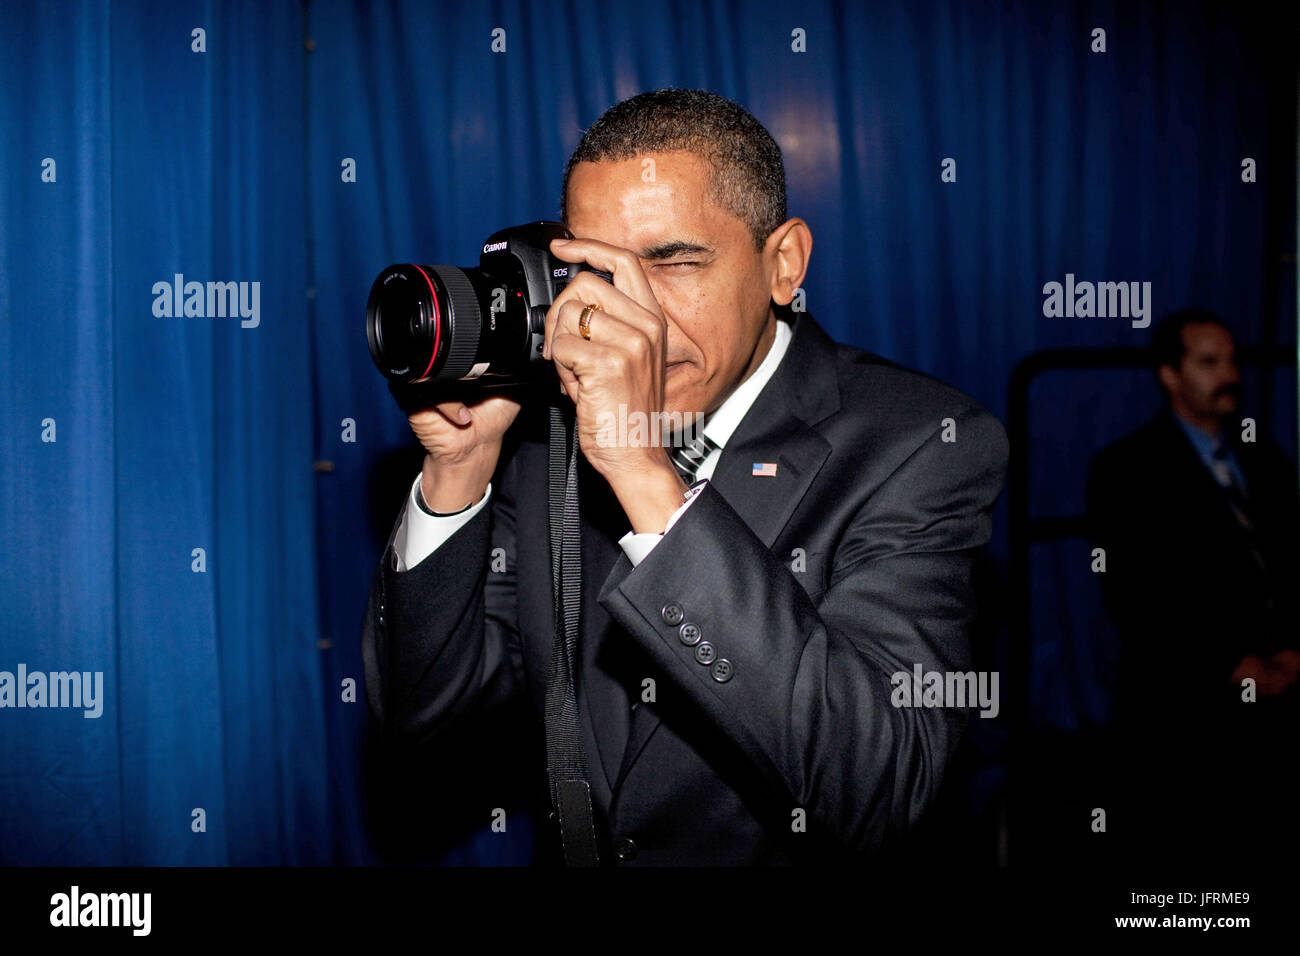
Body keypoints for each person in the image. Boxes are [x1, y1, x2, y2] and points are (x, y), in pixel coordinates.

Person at [361, 88, 1008, 865]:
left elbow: (880, 787)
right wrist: (459, 472)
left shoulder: (917, 441)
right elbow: (422, 714)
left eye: (673, 261)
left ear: (783, 264)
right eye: (597, 271)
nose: (632, 315)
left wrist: (643, 474)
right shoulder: (544, 439)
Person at [1086, 309, 1300, 864]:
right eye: (1209, 363)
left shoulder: (1265, 459)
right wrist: (1233, 663)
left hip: (1280, 691)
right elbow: (1136, 595)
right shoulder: (1128, 470)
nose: (1228, 374)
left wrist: (1290, 653)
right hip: (1186, 705)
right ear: (1170, 375)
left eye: (1231, 361)